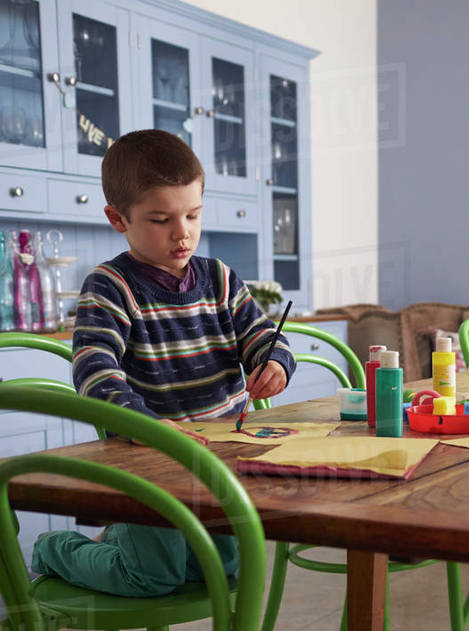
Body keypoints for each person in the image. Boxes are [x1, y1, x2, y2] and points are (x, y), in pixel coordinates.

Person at [31, 129, 295, 597]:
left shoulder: (219, 278)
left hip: (218, 456)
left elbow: (263, 337)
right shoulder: (110, 285)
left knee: (220, 572)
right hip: (148, 458)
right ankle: (53, 548)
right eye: (160, 219)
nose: (183, 232)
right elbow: (94, 371)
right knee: (152, 577)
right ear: (118, 218)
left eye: (193, 214)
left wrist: (273, 360)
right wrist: (144, 424)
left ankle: (122, 538)